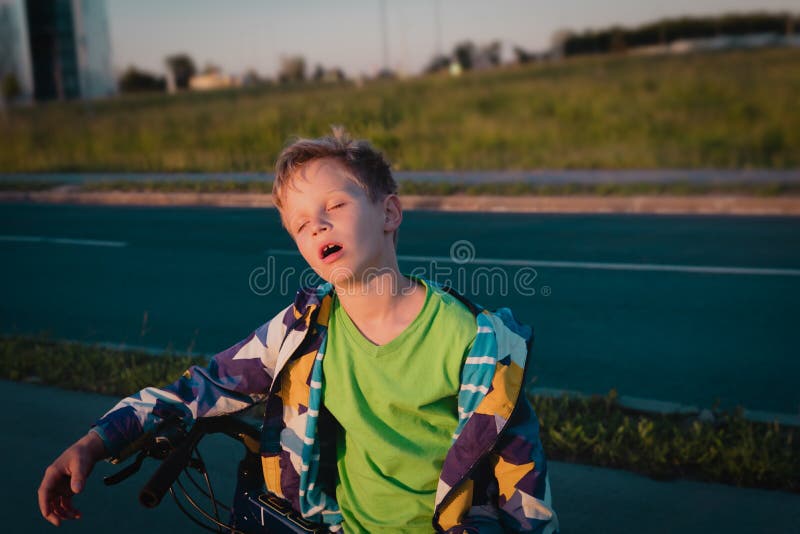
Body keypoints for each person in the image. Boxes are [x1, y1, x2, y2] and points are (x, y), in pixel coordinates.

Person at [38, 128, 559, 533]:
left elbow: (523, 485)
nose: (319, 226)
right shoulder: (304, 331)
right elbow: (205, 385)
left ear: (390, 212)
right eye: (302, 225)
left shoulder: (475, 343)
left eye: (335, 206)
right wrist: (96, 441)